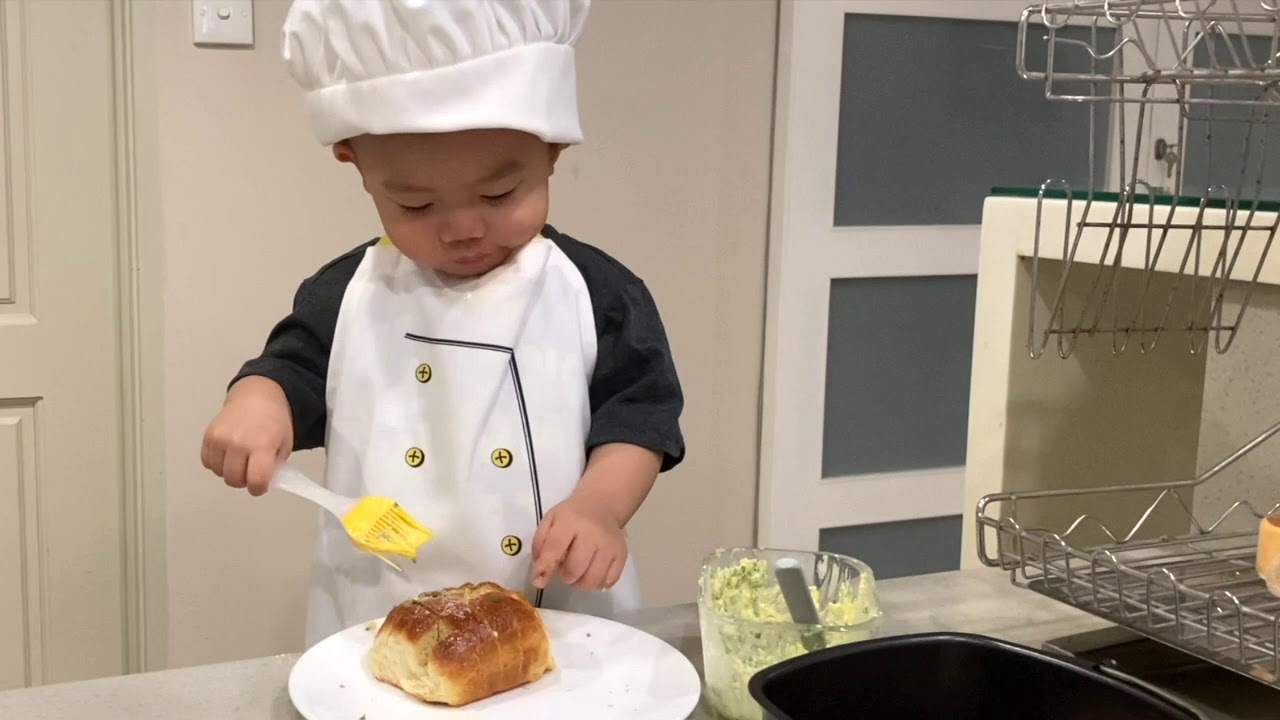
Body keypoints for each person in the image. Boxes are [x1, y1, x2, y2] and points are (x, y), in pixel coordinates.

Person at [199, 0, 684, 648]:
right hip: (378, 611)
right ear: (353, 161)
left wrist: (600, 507)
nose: (462, 228)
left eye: (498, 195)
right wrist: (259, 399)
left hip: (557, 610)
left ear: (552, 148)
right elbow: (293, 367)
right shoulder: (347, 293)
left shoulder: (596, 294)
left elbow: (639, 418)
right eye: (416, 203)